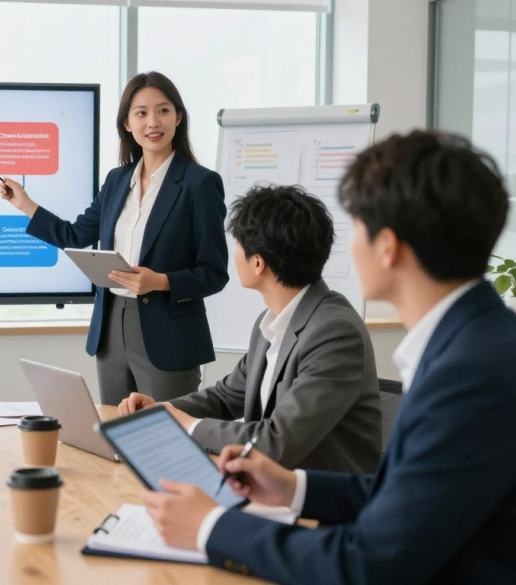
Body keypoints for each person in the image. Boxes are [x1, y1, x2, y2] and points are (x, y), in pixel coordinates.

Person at [140, 131, 516, 583]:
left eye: (358, 226)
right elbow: (410, 498)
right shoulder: (474, 342)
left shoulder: (471, 372)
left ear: (387, 247)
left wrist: (210, 527)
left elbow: (370, 563)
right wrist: (294, 488)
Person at [0, 71, 229, 406]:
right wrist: (25, 204)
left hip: (169, 332)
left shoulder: (200, 183)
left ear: (179, 118)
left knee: (165, 438)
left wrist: (161, 281)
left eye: (163, 111)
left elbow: (214, 271)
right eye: (141, 113)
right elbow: (76, 235)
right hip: (111, 326)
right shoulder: (117, 180)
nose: (153, 122)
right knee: (116, 435)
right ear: (127, 123)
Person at [118, 185, 380, 473]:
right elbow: (227, 396)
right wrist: (162, 411)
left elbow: (277, 443)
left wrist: (186, 425)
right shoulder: (270, 322)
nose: (234, 254)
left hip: (320, 504)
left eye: (239, 244)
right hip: (269, 486)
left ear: (258, 263)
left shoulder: (334, 333)